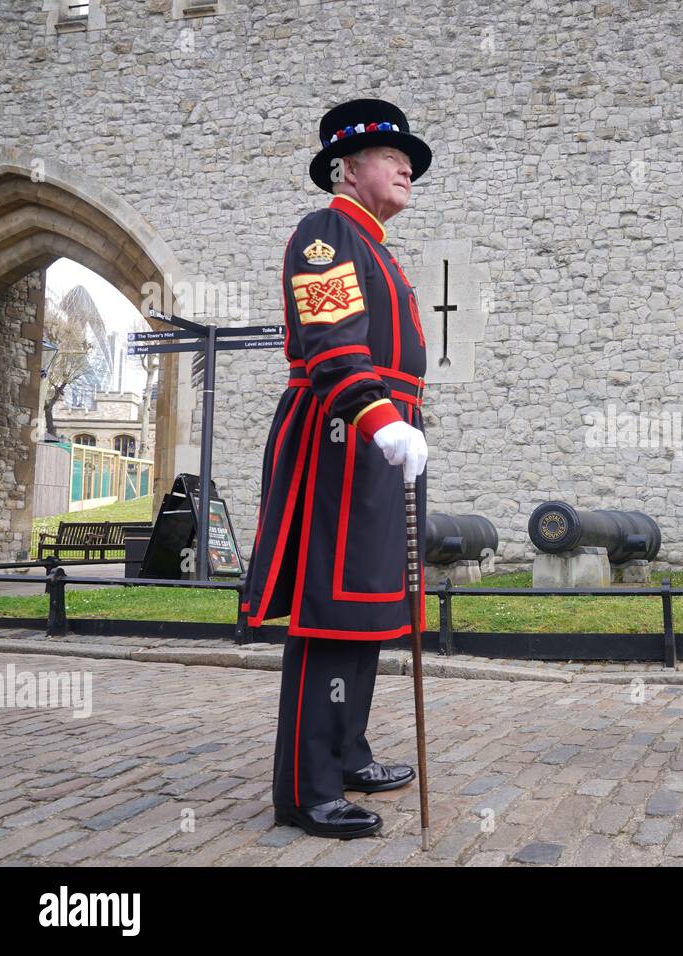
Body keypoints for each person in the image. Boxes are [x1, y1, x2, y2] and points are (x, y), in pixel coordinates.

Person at [241, 98, 432, 838]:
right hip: (344, 435)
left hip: (380, 434)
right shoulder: (327, 234)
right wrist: (382, 418)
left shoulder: (378, 245)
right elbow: (329, 341)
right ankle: (305, 788)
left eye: (406, 157)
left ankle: (348, 751)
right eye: (389, 155)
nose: (405, 165)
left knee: (371, 607)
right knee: (332, 612)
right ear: (347, 170)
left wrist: (398, 423)